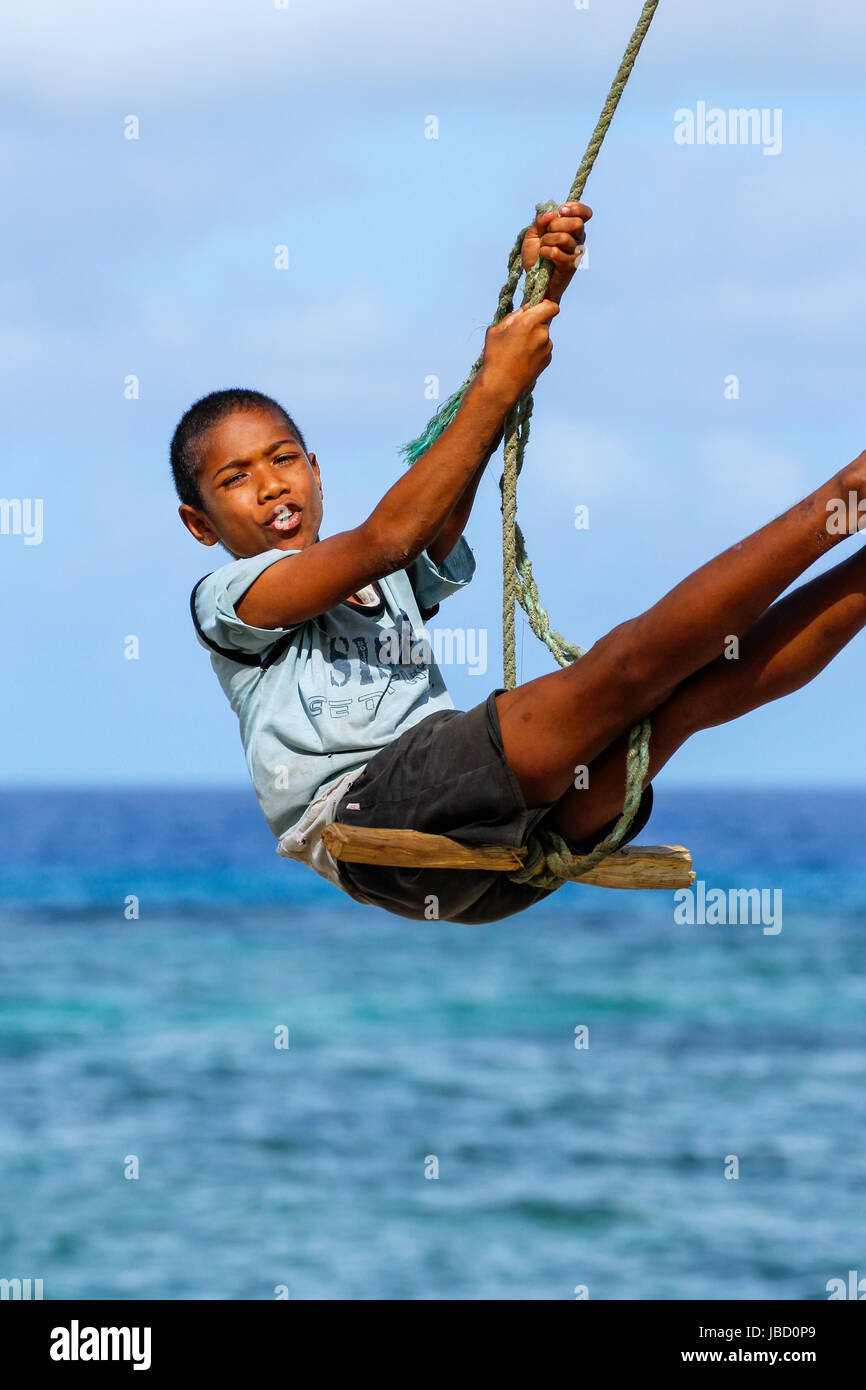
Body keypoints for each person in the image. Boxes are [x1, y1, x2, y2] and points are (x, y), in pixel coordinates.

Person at [173, 201, 866, 923]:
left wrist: (542, 298)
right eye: (235, 479)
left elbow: (437, 505)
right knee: (628, 667)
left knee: (683, 702)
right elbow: (388, 536)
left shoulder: (383, 580)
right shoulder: (230, 597)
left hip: (491, 848)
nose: (270, 484)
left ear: (315, 469)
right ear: (200, 525)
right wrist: (498, 382)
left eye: (284, 459)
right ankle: (848, 494)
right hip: (379, 819)